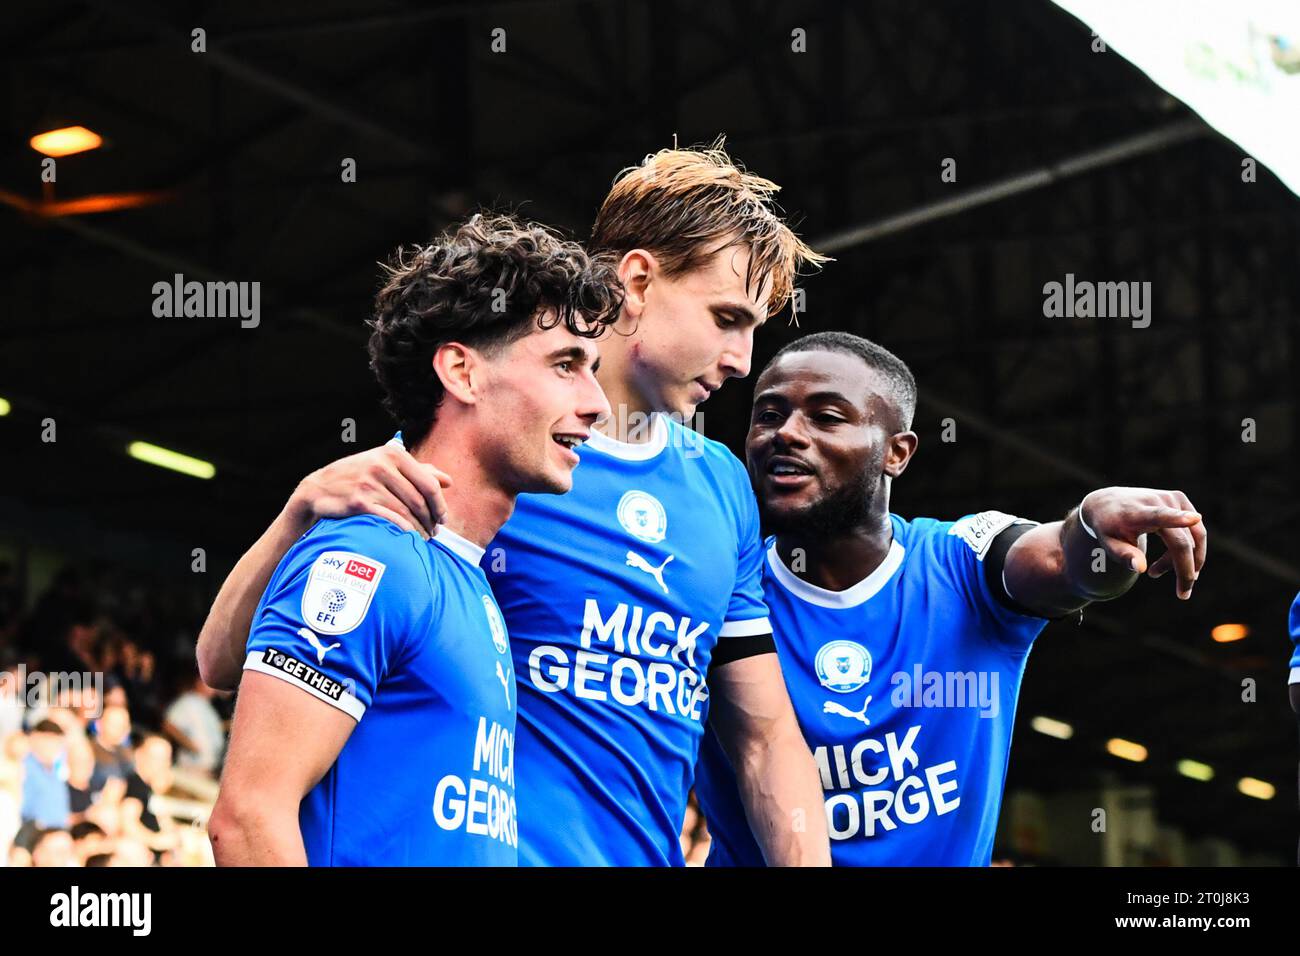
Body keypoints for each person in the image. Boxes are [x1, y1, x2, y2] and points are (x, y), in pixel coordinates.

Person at [198, 142, 832, 866]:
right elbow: (225, 663)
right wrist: (298, 513)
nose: (743, 359)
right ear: (637, 281)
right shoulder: (494, 452)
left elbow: (765, 736)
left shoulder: (721, 489)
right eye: (727, 318)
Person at [691, 331, 1209, 866]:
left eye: (827, 417)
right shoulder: (717, 582)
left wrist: (1092, 528)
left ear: (897, 452)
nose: (787, 434)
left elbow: (1060, 562)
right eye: (769, 415)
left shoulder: (960, 560)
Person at [207, 214, 619, 865]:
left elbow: (214, 663)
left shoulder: (465, 578)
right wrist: (298, 512)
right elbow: (248, 818)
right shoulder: (372, 558)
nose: (597, 401)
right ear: (462, 372)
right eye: (566, 364)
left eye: (593, 368)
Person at [20, 719, 70, 830]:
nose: (54, 748)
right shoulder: (24, 767)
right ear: (34, 738)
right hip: (33, 834)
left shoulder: (58, 766)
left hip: (60, 831)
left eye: (58, 743)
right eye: (49, 741)